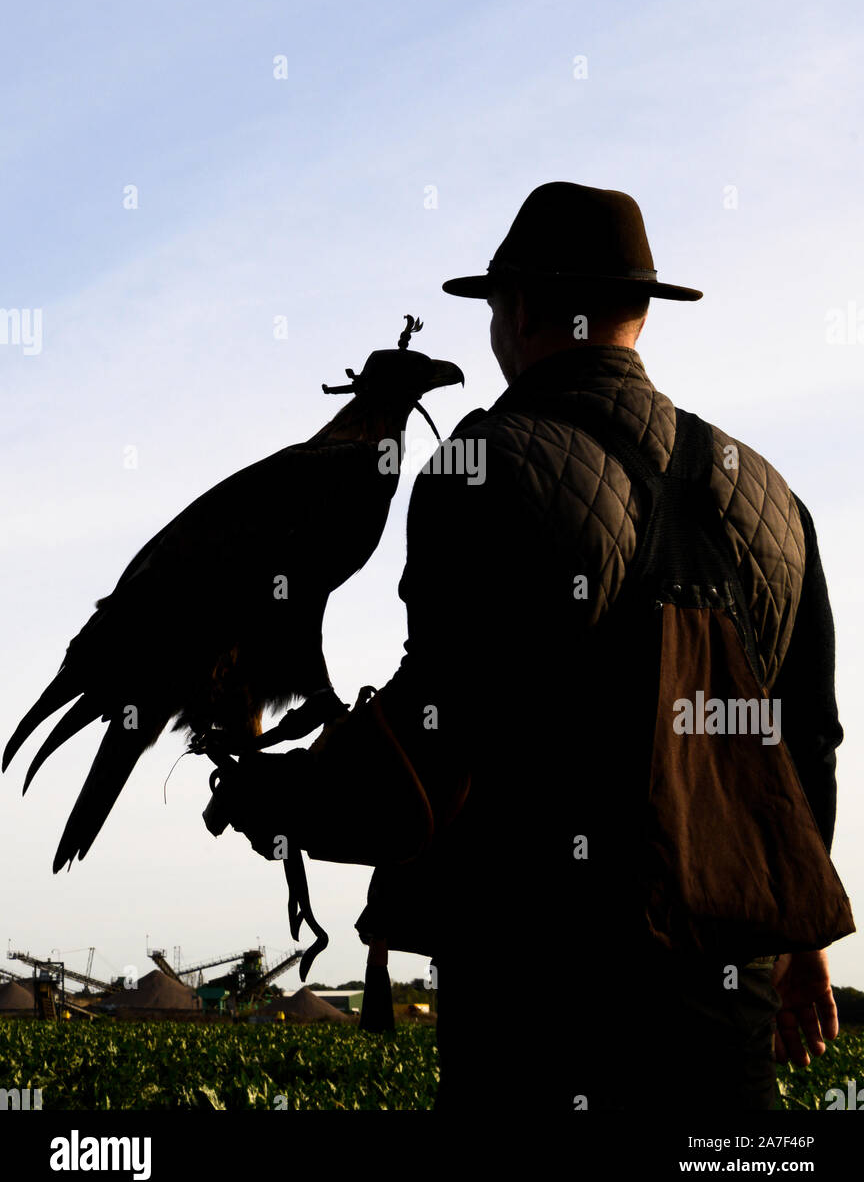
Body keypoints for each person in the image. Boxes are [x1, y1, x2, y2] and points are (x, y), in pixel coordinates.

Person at [231, 182, 848, 1113]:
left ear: (517, 308)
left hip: (542, 1013)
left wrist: (286, 796)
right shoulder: (769, 496)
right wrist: (803, 949)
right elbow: (807, 746)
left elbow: (441, 733)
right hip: (728, 1014)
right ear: (640, 312)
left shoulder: (490, 463)